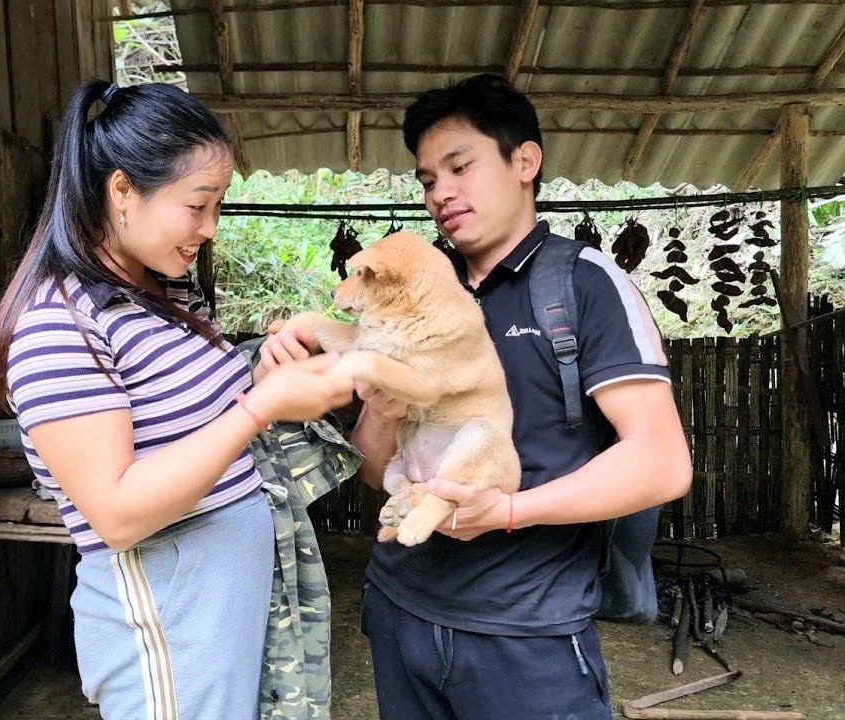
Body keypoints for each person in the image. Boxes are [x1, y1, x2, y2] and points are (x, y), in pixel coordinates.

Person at [260, 73, 694, 719]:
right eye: (428, 179)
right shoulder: (418, 289)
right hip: (401, 610)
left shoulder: (582, 285)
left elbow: (661, 463)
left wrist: (509, 510)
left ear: (525, 161)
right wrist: (374, 400)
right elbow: (378, 473)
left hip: (526, 633)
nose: (442, 193)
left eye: (459, 166)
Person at [0, 79, 355, 719]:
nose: (210, 229)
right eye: (199, 204)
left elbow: (193, 428)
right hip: (167, 618)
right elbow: (118, 513)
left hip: (213, 612)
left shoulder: (162, 300)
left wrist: (265, 376)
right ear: (123, 190)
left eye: (219, 206)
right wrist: (259, 408)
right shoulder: (58, 325)